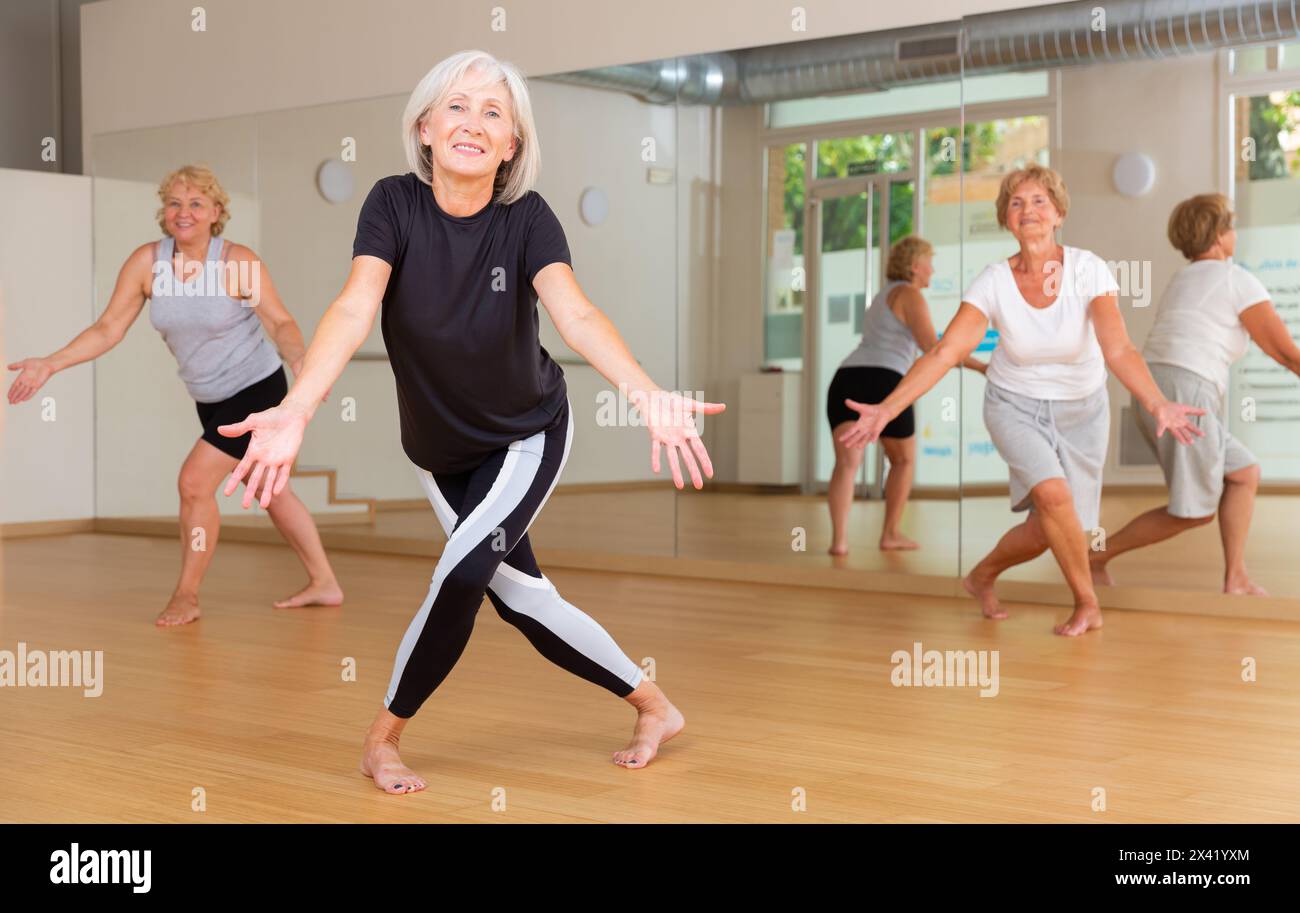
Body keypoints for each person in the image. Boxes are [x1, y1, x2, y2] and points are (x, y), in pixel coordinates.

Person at [218, 50, 724, 793]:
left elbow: (575, 312)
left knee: (460, 575)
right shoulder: (394, 205)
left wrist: (644, 391)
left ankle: (381, 738)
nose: (473, 123)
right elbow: (356, 305)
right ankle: (654, 706)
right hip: (438, 452)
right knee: (523, 597)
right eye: (456, 106)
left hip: (527, 432)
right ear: (424, 128)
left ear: (512, 144)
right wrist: (298, 407)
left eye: (494, 113)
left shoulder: (526, 219)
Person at [837, 164, 1204, 636]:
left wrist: (1158, 403)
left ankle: (982, 575)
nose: (1027, 209)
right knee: (1054, 497)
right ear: (1006, 220)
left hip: (1081, 410)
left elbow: (1118, 348)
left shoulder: (1088, 268)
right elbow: (947, 350)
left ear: (1058, 214)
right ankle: (1087, 603)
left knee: (1046, 527)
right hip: (1014, 404)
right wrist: (888, 408)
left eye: (1038, 201)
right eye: (1016, 202)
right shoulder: (992, 281)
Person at [6, 164, 341, 626]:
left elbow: (280, 322)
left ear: (216, 212)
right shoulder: (149, 263)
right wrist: (50, 362)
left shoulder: (235, 261)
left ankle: (187, 595)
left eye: (196, 203)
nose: (184, 212)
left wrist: (301, 362)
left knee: (193, 483)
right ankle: (325, 581)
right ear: (164, 212)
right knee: (272, 492)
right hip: (209, 398)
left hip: (257, 389)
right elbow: (108, 329)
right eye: (175, 203)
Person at [1091, 193, 1300, 594]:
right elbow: (1284, 351)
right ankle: (1094, 556)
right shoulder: (1233, 278)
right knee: (1193, 512)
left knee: (1243, 473)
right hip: (1185, 390)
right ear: (1220, 236)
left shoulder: (1185, 277)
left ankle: (1236, 576)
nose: (1233, 234)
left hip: (1156, 387)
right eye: (1231, 227)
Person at [826, 236, 986, 554]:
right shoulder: (910, 295)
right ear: (915, 266)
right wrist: (982, 367)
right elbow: (934, 349)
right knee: (902, 460)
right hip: (883, 379)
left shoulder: (881, 296)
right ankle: (890, 534)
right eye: (929, 262)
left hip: (847, 378)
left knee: (846, 464)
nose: (932, 269)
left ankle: (839, 542)